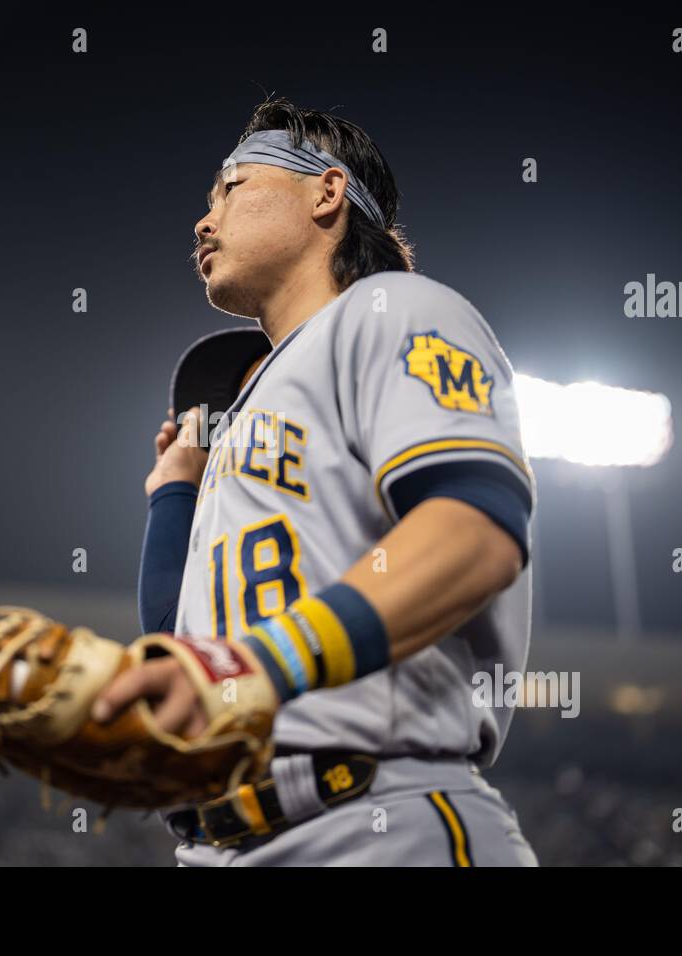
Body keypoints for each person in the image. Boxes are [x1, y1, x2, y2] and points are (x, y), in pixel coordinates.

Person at [93, 98, 538, 866]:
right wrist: (173, 495)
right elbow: (188, 656)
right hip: (215, 846)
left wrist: (260, 664)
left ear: (326, 193)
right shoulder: (240, 420)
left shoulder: (394, 309)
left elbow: (475, 533)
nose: (204, 221)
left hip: (379, 825)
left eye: (228, 189)